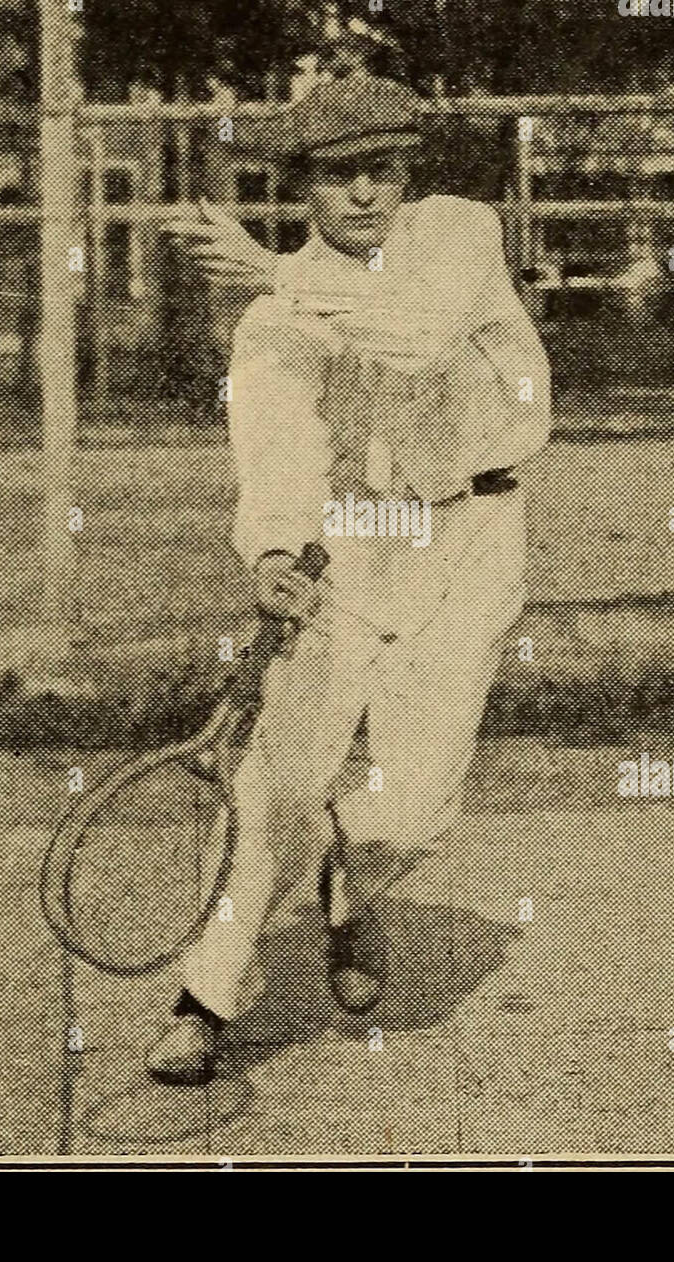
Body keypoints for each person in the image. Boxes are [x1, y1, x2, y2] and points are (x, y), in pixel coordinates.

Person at [147, 75, 551, 1085]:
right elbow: (277, 447)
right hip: (349, 542)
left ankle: (345, 874)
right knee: (275, 778)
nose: (364, 195)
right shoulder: (272, 316)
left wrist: (272, 274)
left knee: (411, 811)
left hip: (472, 533)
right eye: (337, 177)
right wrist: (274, 553)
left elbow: (414, 336)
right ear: (303, 189)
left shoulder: (459, 234)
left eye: (381, 170)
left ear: (408, 173)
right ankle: (203, 998)